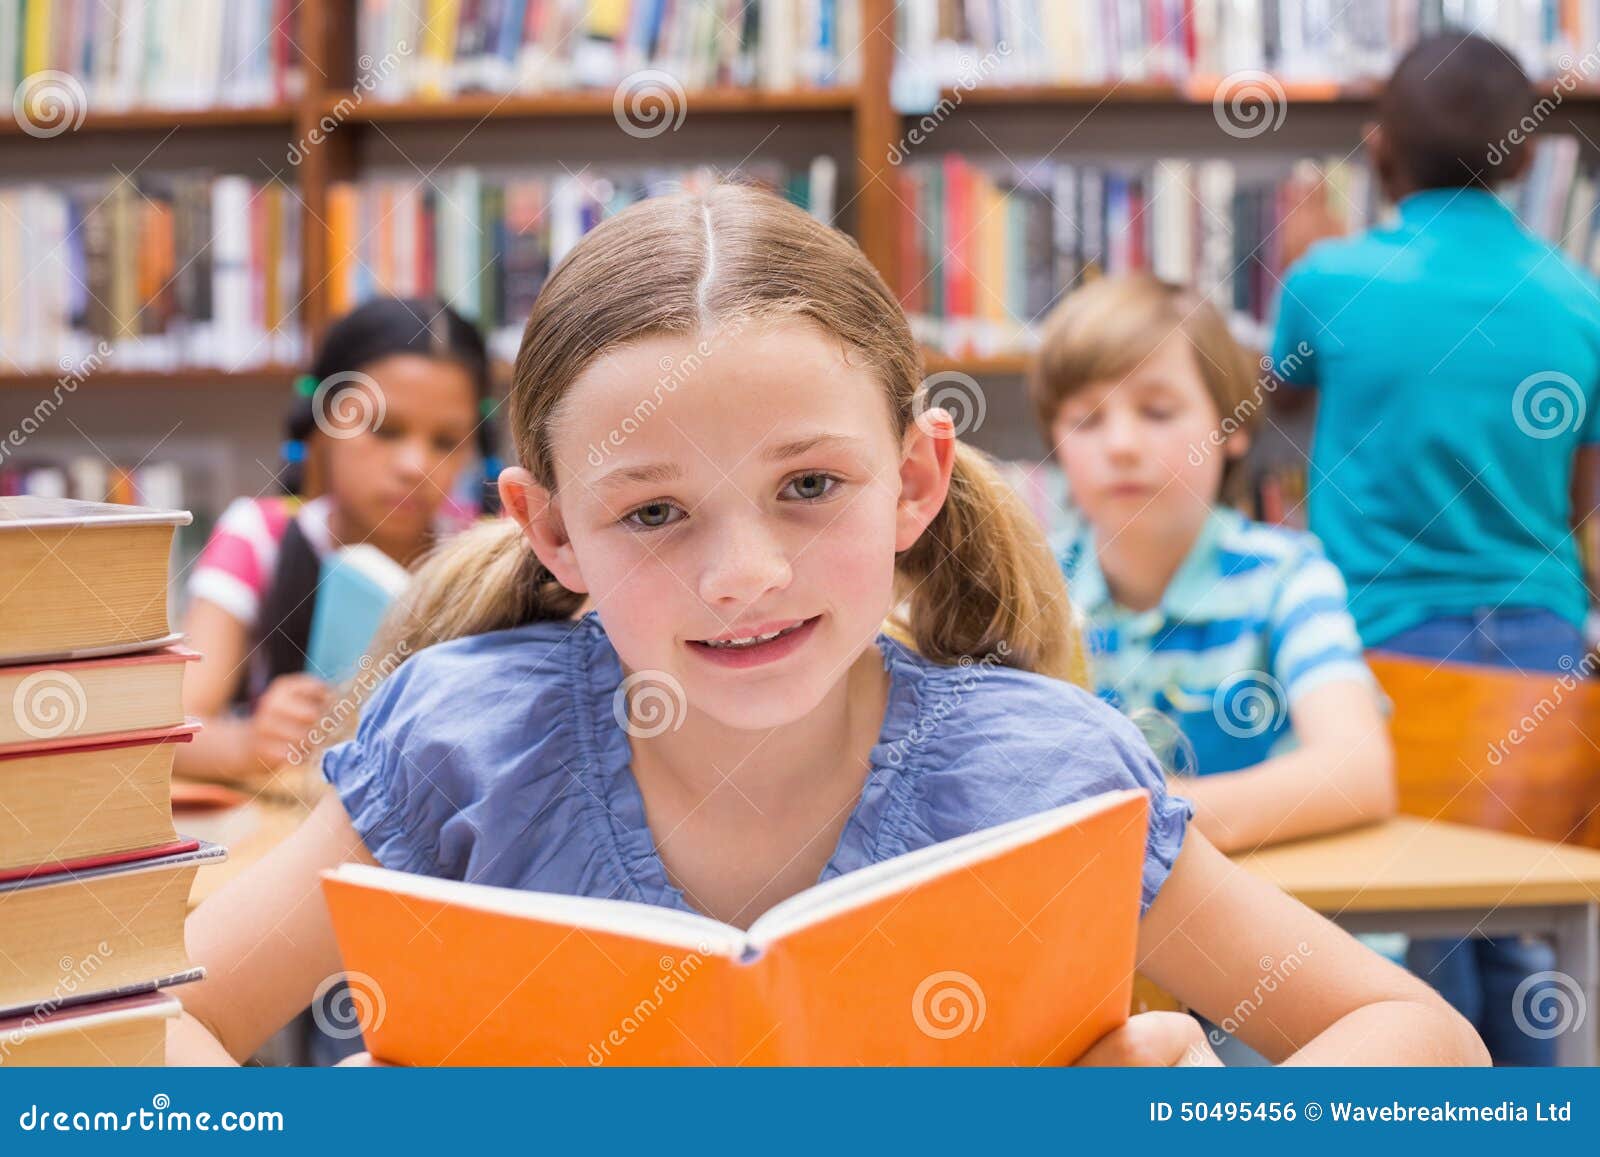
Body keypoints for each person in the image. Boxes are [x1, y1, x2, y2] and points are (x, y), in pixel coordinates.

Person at [168, 183, 1485, 1067]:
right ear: (551, 529)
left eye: (809, 487)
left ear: (914, 478)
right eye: (654, 513)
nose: (743, 574)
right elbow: (127, 1046)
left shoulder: (1049, 779)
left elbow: (1415, 1034)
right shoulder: (457, 747)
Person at [1269, 32, 1600, 1066]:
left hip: (1376, 659)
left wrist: (1293, 272)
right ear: (1520, 158)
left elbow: (1270, 426)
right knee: (1516, 934)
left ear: (1377, 152)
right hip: (1545, 664)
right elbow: (1581, 498)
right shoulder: (1577, 300)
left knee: (1415, 947)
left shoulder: (1328, 278)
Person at [1033, 273, 1394, 855]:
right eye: (1086, 420)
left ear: (1232, 429)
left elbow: (1359, 773)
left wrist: (1152, 824)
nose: (1120, 444)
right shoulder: (1028, 585)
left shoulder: (1286, 575)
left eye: (1156, 410)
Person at [178, 297, 500, 786]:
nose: (415, 465)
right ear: (323, 422)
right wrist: (248, 744)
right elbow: (174, 731)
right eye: (385, 430)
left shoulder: (486, 556)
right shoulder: (259, 536)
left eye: (445, 441)